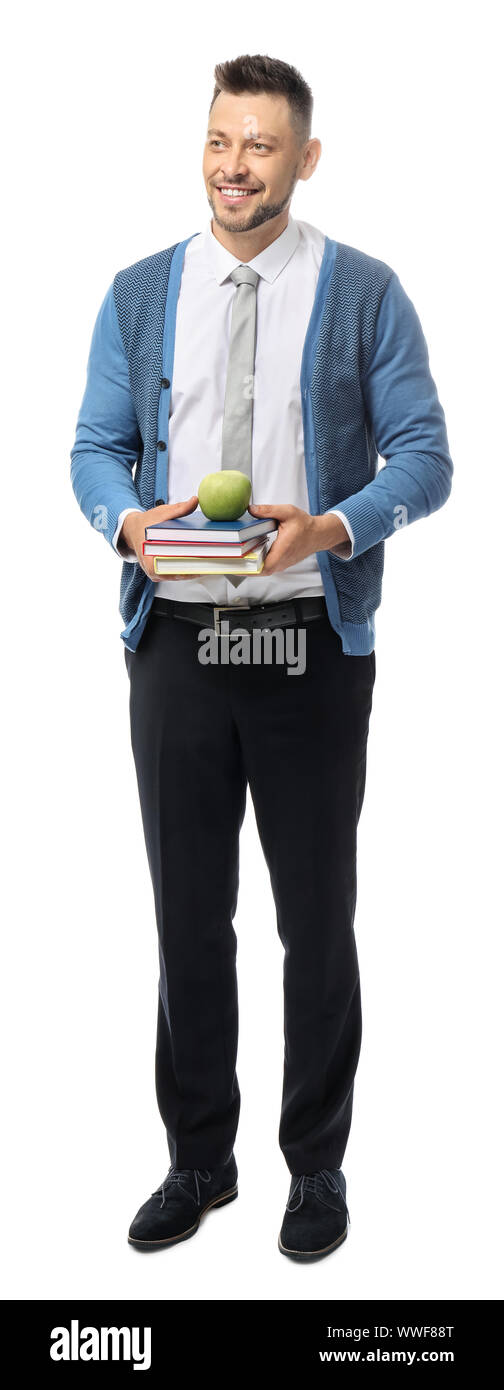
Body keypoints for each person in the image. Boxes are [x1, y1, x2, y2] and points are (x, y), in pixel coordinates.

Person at [70, 52, 453, 1262]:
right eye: (220, 141)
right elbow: (92, 447)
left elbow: (424, 457)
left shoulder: (365, 291)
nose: (236, 167)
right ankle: (199, 1160)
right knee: (188, 916)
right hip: (176, 645)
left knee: (315, 917)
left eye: (263, 147)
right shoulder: (140, 293)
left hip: (307, 648)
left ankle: (318, 1166)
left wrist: (333, 523)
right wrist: (127, 521)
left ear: (307, 158)